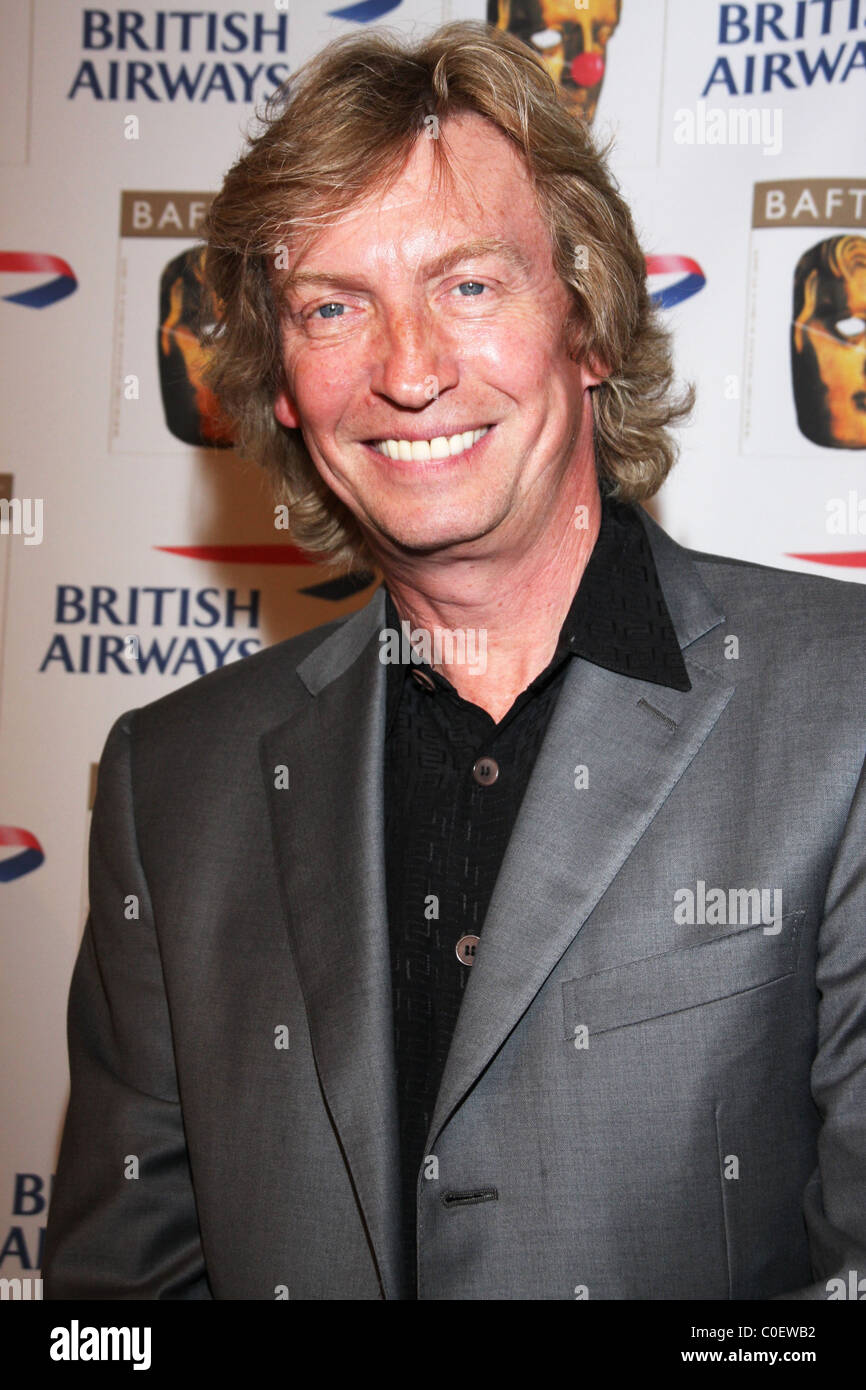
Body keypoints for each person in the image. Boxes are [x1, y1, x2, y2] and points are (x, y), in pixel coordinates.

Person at [43, 20, 866, 1301]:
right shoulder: (173, 782)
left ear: (586, 325)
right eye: (332, 306)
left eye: (468, 286)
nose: (409, 371)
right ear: (278, 387)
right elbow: (114, 1302)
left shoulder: (840, 710)